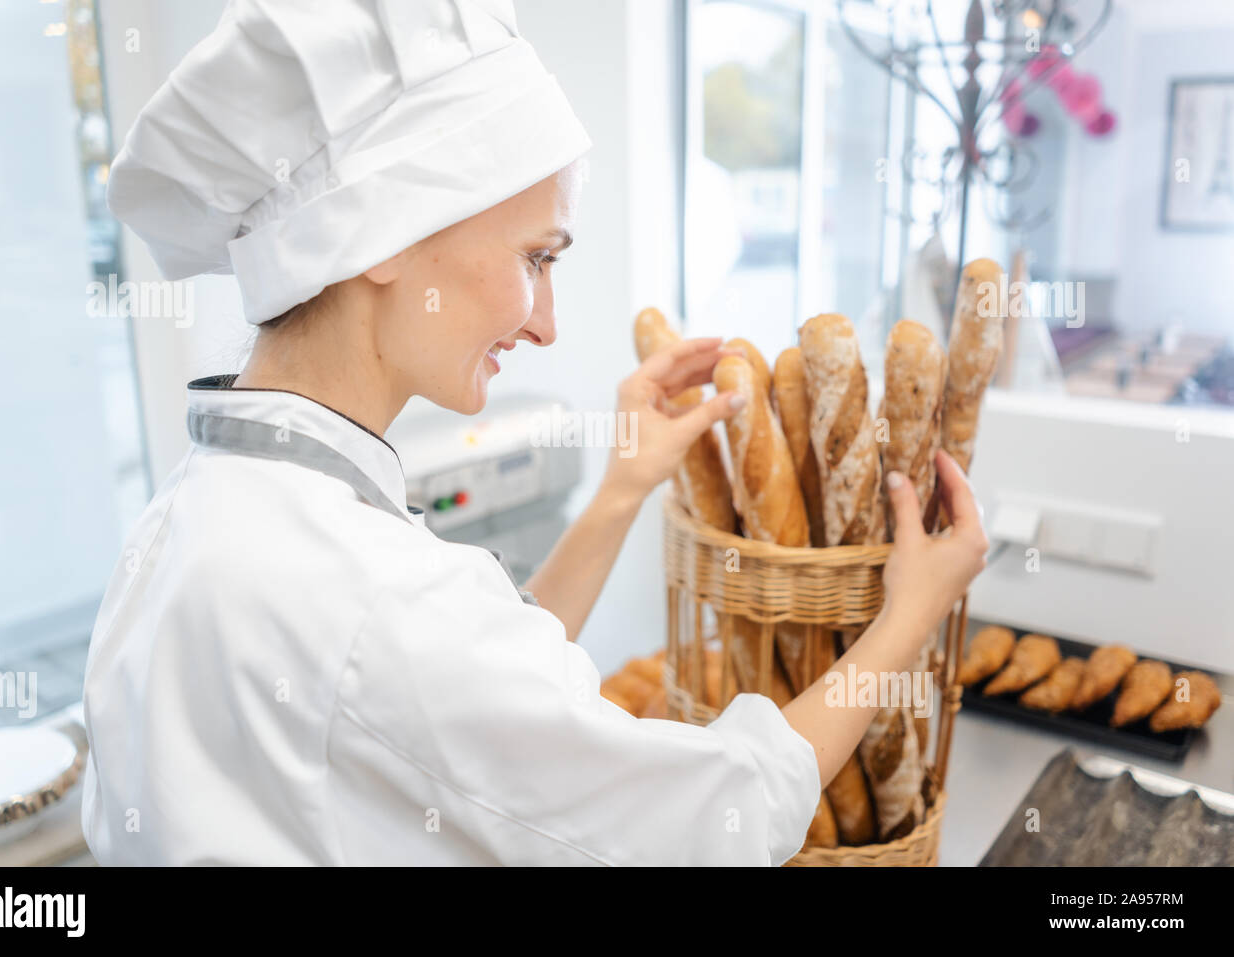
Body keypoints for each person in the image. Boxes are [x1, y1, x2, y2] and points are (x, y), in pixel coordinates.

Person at [81, 0, 987, 866]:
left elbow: (457, 715)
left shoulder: (184, 522)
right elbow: (720, 817)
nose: (546, 323)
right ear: (381, 233)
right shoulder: (370, 596)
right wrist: (910, 612)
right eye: (535, 259)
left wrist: (622, 490)